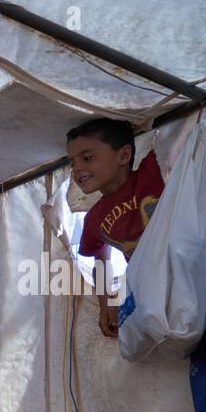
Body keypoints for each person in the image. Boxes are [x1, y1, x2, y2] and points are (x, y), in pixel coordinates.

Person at [65, 117, 165, 338]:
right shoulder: (93, 220)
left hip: (188, 273)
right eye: (72, 163)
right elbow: (100, 262)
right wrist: (106, 304)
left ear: (124, 155)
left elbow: (176, 135)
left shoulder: (153, 171)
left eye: (88, 158)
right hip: (153, 293)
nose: (77, 169)